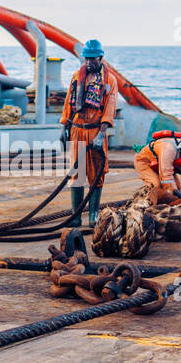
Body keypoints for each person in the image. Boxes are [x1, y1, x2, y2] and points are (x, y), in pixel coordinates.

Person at [59, 39, 118, 226]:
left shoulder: (110, 80)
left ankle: (92, 216)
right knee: (77, 173)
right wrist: (63, 127)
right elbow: (69, 102)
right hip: (77, 130)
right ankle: (76, 217)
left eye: (93, 59)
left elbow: (109, 109)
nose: (89, 62)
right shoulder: (77, 76)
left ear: (100, 58)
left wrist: (101, 135)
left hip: (95, 131)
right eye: (86, 59)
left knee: (96, 174)